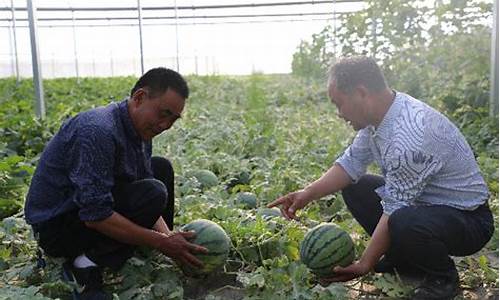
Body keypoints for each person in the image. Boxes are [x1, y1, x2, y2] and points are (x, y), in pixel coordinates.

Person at [268, 56, 494, 300]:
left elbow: (396, 208)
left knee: (403, 220)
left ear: (361, 93)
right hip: (428, 208)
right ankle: (402, 257)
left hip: (469, 220)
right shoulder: (382, 115)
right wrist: (306, 194)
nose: (339, 114)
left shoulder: (410, 137)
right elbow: (350, 164)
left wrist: (365, 263)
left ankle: (443, 279)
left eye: (339, 104)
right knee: (358, 187)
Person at [25, 67, 207, 300]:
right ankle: (84, 262)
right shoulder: (97, 130)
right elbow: (95, 215)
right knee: (153, 190)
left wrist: (168, 238)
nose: (165, 125)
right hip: (57, 227)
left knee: (160, 169)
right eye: (163, 114)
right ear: (140, 98)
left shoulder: (140, 130)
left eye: (173, 119)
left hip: (82, 213)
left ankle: (131, 246)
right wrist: (161, 243)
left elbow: (142, 185)